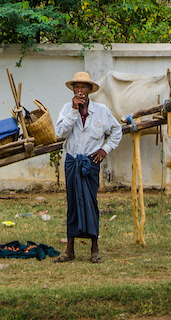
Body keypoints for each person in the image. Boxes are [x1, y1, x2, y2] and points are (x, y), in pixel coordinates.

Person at [53, 71, 121, 263]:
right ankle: (70, 248)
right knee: (73, 203)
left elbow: (116, 131)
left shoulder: (101, 111)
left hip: (91, 164)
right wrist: (74, 111)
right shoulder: (67, 109)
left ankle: (94, 248)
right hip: (73, 162)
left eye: (83, 87)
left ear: (90, 90)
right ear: (73, 90)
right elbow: (60, 132)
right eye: (77, 87)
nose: (80, 90)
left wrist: (105, 150)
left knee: (91, 203)